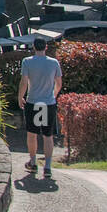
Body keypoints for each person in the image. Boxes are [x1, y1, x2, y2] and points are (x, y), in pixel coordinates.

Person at [19, 38, 63, 179]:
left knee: (32, 134)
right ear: (46, 47)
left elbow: (24, 81)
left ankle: (33, 161)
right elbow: (59, 83)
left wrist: (20, 96)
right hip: (48, 103)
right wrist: (53, 95)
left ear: (33, 47)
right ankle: (48, 166)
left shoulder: (27, 61)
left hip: (33, 102)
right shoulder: (54, 63)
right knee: (48, 136)